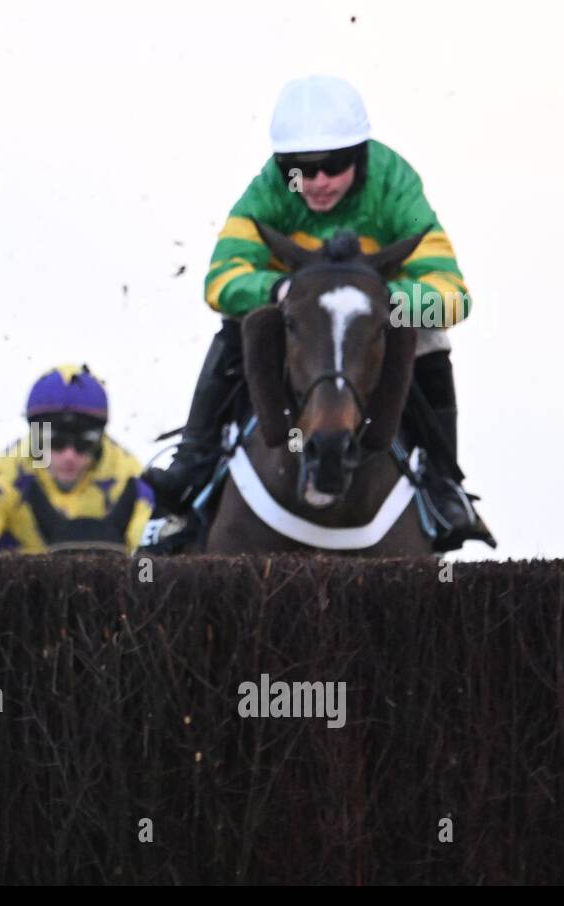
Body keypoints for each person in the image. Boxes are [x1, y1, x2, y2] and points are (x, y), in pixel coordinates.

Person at [142, 75, 493, 552]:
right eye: (301, 169)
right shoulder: (270, 189)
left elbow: (452, 295)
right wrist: (278, 289)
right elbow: (221, 281)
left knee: (430, 335)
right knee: (244, 322)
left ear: (361, 155)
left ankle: (442, 479)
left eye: (333, 165)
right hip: (300, 319)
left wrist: (386, 304)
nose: (318, 182)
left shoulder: (395, 184)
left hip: (369, 323)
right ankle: (193, 466)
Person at [0, 365, 154, 554]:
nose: (69, 455)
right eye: (54, 441)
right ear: (35, 436)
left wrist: (146, 579)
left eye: (85, 441)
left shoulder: (127, 473)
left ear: (101, 438)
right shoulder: (7, 472)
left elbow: (151, 562)